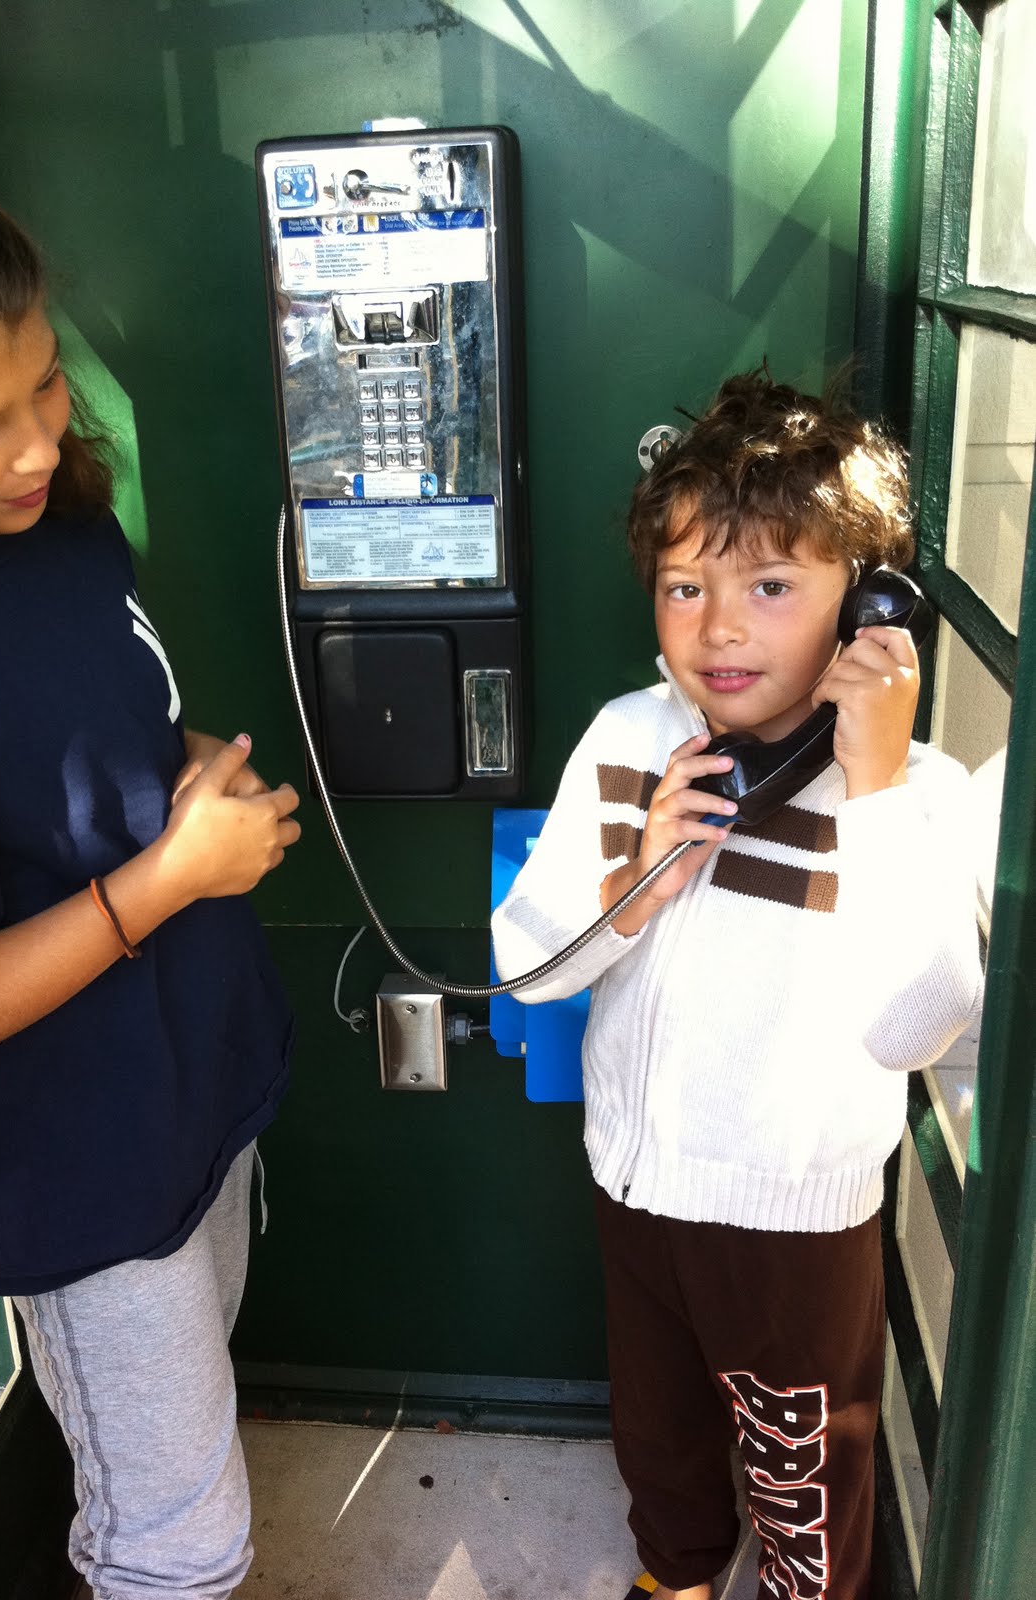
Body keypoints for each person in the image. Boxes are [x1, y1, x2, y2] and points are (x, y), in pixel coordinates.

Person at [0, 143, 301, 1600]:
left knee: (191, 1430)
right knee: (176, 1549)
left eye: (42, 383)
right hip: (80, 1165)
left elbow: (71, 749)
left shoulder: (49, 523)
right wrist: (165, 880)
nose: (35, 446)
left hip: (190, 1084)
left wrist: (173, 777)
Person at [491, 371, 982, 1600]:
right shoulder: (624, 739)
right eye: (684, 585)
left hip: (793, 1222)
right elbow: (523, 966)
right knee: (659, 1439)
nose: (716, 628)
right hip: (634, 1183)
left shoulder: (912, 797)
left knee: (806, 1472)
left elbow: (921, 1022)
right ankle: (675, 1574)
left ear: (867, 607)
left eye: (770, 586)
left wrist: (869, 790)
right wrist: (638, 883)